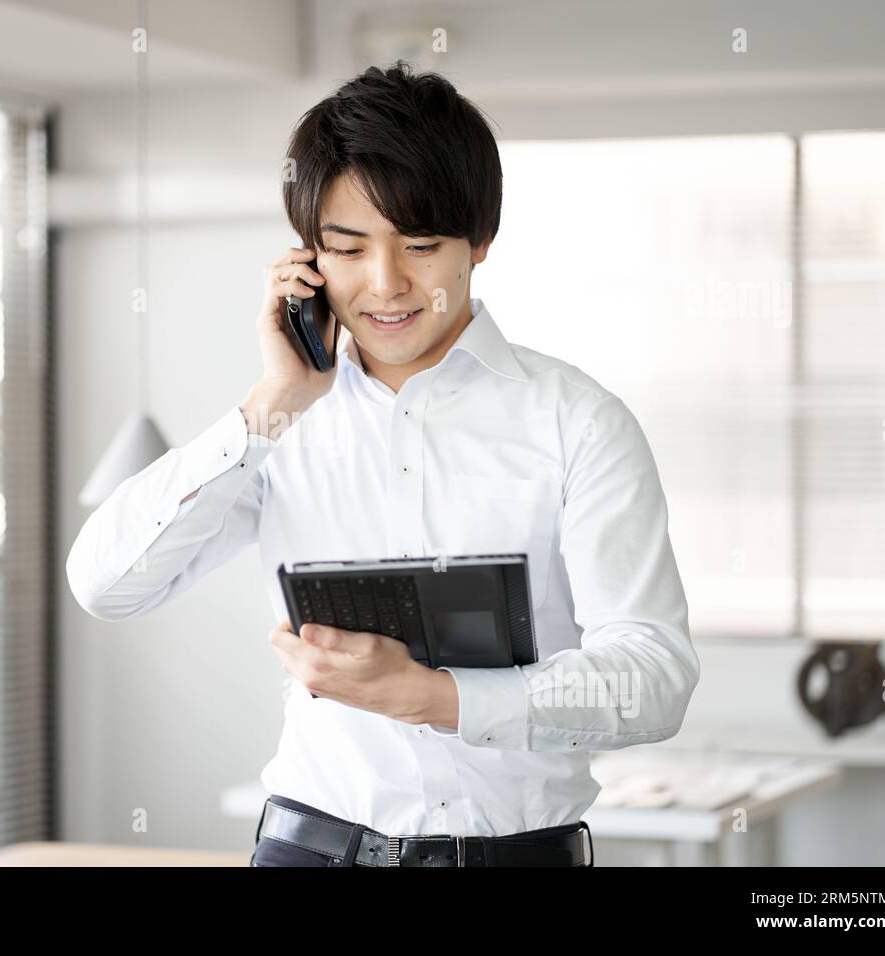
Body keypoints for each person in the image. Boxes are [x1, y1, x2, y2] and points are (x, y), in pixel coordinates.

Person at [67, 61, 700, 867]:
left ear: (482, 240)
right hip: (311, 848)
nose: (387, 284)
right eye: (348, 248)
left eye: (423, 245)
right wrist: (272, 403)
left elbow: (654, 676)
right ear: (307, 261)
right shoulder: (281, 423)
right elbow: (106, 585)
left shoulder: (577, 421)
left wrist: (436, 699)